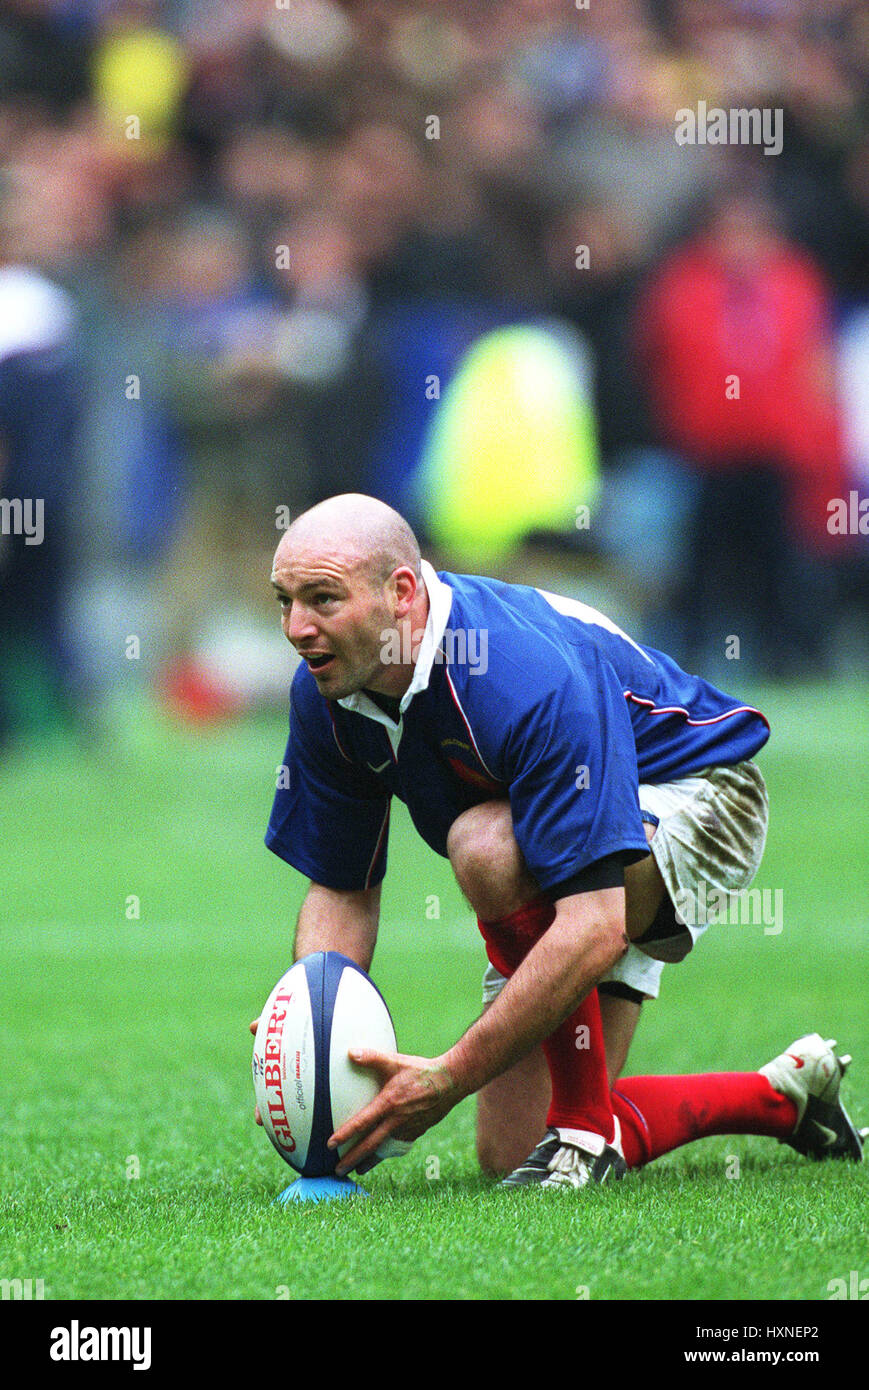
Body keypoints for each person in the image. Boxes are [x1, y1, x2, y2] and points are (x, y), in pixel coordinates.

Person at [259, 493, 864, 1188]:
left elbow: (593, 924)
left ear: (399, 592)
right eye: (284, 601)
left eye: (322, 600)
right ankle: (783, 1099)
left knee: (485, 844)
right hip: (556, 833)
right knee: (512, 1155)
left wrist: (447, 1078)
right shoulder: (328, 688)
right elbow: (341, 885)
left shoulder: (517, 671)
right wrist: (308, 1033)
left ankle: (583, 1129)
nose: (297, 628)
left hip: (695, 789)